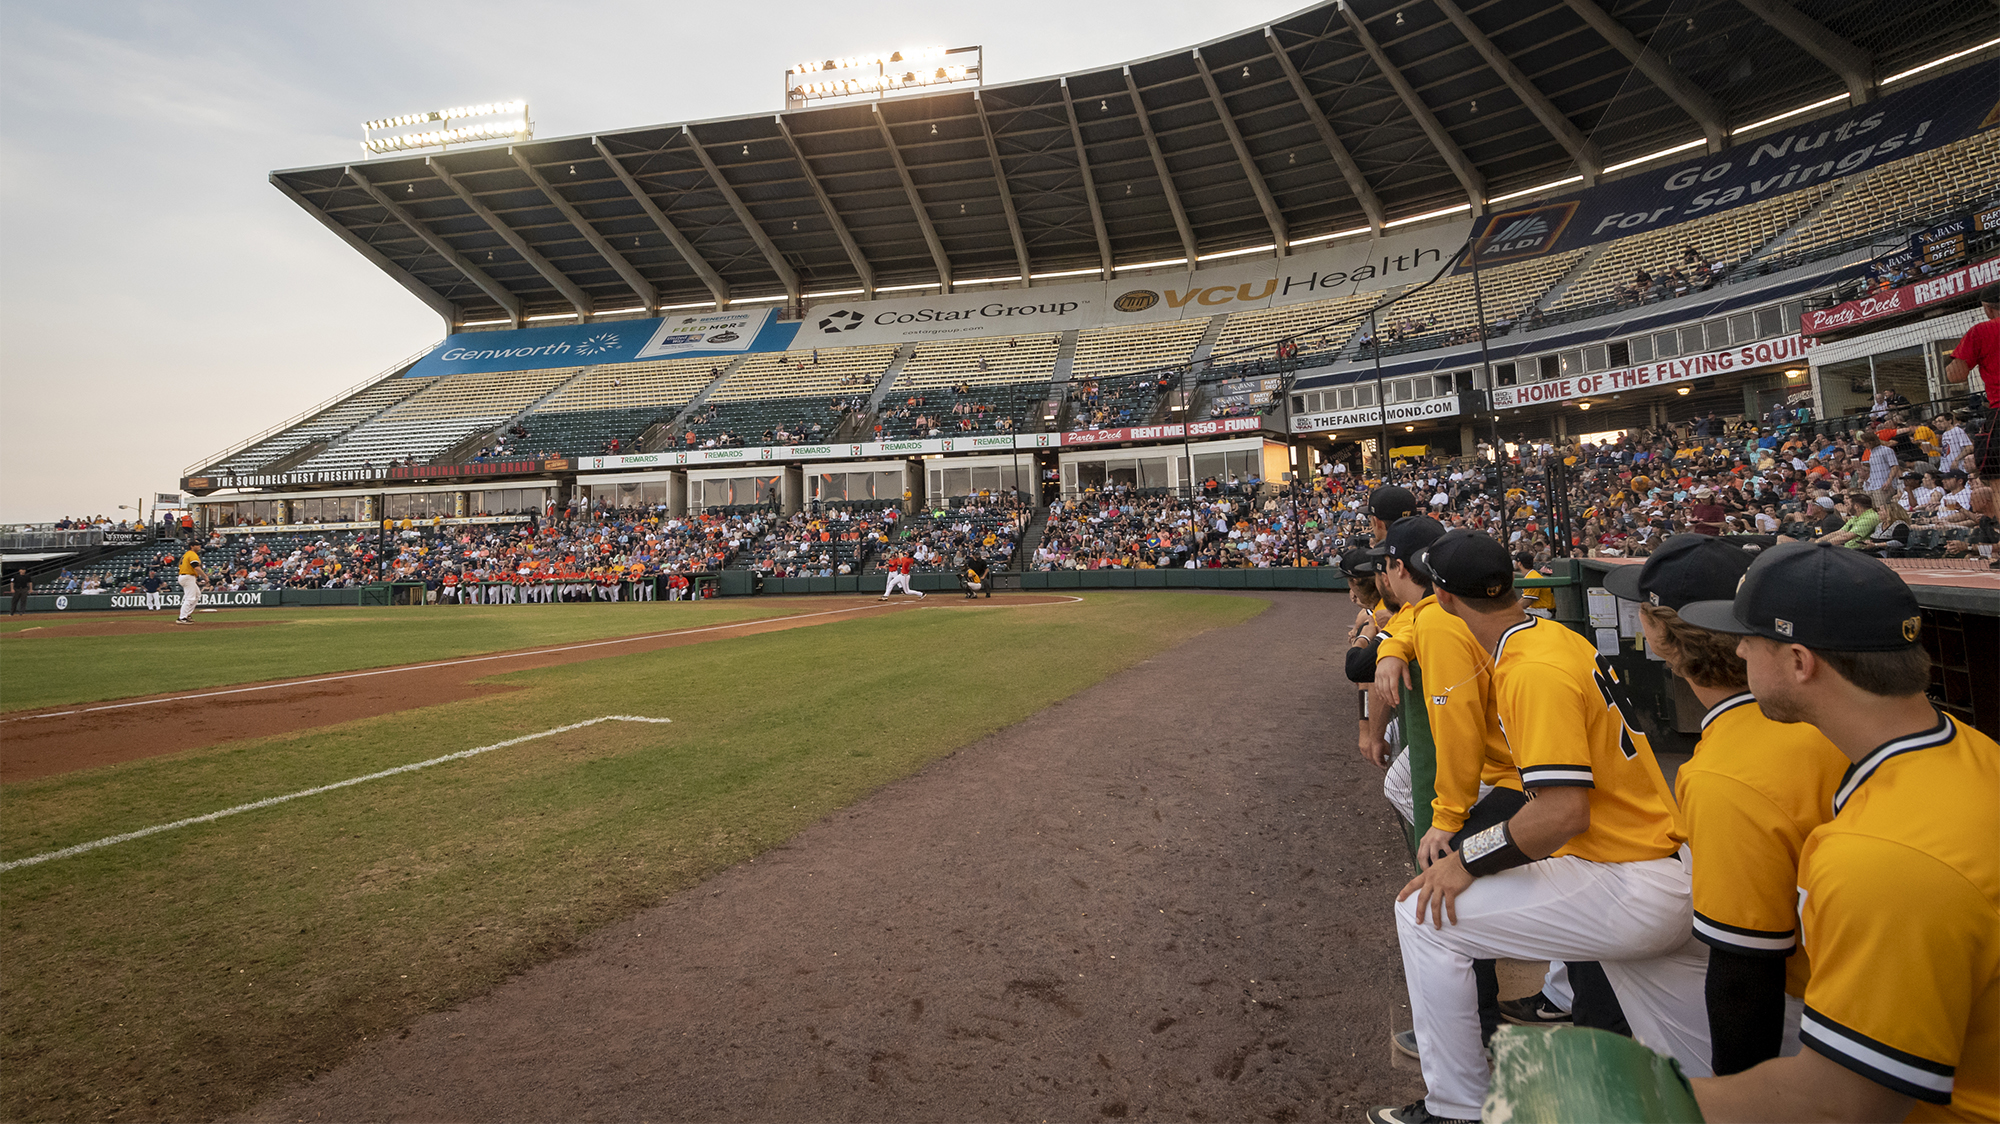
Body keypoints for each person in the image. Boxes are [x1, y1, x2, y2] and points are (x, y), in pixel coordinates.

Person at [1370, 530, 1711, 1124]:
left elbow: (1560, 814)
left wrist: (1464, 860)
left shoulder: (1530, 669)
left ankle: (1456, 1108)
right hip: (1662, 864)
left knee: (1421, 915)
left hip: (1627, 878)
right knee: (1704, 1076)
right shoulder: (1552, 634)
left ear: (1445, 601)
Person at [1681, 544, 1997, 1121]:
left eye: (1749, 639)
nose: (1740, 649)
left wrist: (1629, 1100)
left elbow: (1839, 1105)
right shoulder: (1975, 752)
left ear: (1800, 662)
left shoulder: (1880, 858)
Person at [1603, 535, 1850, 1075]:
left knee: (1632, 936)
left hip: (1827, 1012)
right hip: (1889, 977)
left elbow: (1745, 977)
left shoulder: (1723, 771)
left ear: (1659, 634)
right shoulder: (1839, 706)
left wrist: (1738, 1096)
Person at [175, 543, 203, 624]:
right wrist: (205, 576)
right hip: (187, 576)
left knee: (197, 595)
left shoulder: (186, 554)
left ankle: (187, 614)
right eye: (197, 544)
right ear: (192, 546)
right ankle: (182, 618)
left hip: (185, 576)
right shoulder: (192, 554)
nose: (199, 546)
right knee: (190, 598)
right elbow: (196, 566)